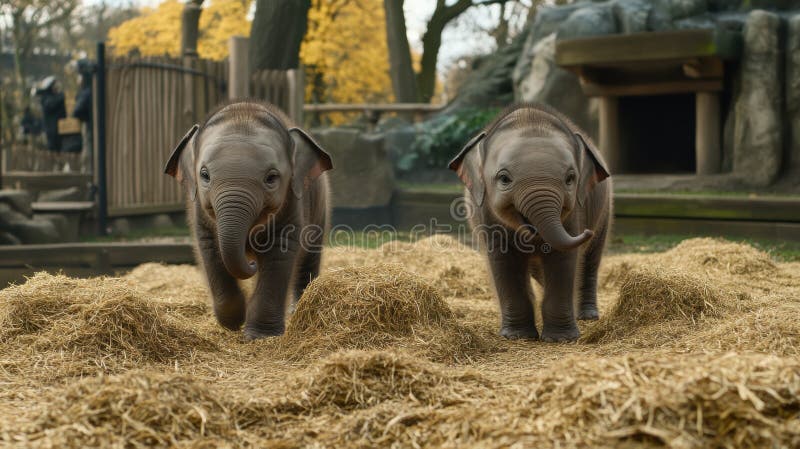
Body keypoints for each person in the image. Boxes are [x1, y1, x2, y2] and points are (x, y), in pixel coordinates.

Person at [33, 76, 66, 153]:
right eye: (55, 85)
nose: (57, 87)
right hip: (52, 132)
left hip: (59, 131)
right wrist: (61, 96)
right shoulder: (46, 98)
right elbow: (52, 104)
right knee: (53, 152)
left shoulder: (54, 97)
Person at [73, 59, 94, 173]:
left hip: (90, 126)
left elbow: (77, 111)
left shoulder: (86, 91)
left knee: (89, 155)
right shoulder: (93, 87)